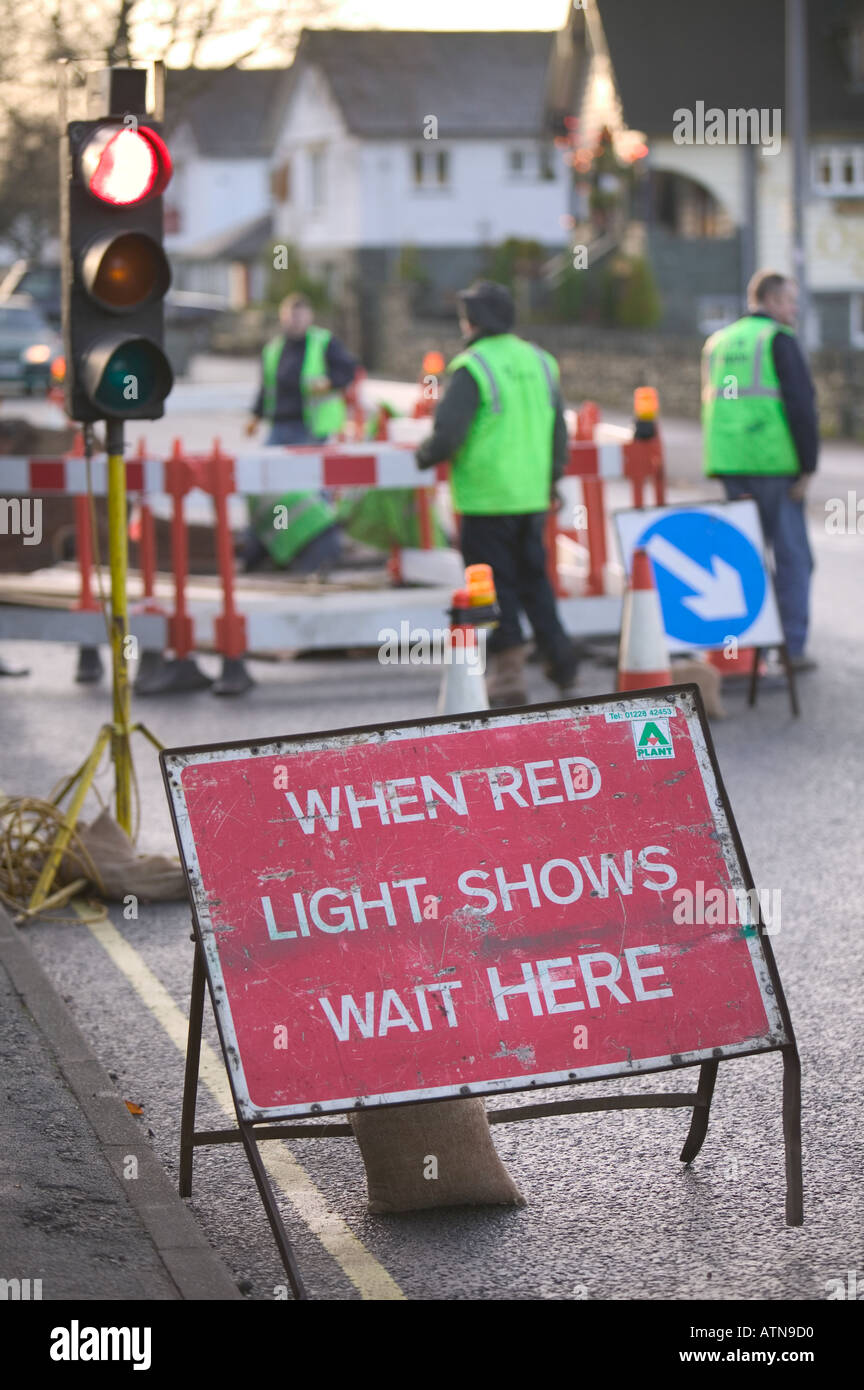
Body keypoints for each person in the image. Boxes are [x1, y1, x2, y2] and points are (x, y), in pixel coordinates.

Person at [415, 280, 578, 705]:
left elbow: (448, 432)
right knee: (534, 580)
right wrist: (552, 477)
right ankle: (562, 662)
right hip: (530, 495)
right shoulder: (541, 361)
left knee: (494, 587)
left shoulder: (474, 365)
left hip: (487, 498)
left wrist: (425, 454)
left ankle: (508, 677)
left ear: (473, 322)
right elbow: (560, 429)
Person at [702, 270, 819, 670]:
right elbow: (802, 406)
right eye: (789, 300)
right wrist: (808, 467)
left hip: (730, 462)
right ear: (769, 300)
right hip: (773, 462)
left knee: (745, 557)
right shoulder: (777, 340)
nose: (794, 308)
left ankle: (750, 650)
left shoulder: (719, 341)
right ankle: (791, 649)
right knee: (792, 558)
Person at [243, 293, 357, 571]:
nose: (294, 320)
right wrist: (256, 416)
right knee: (266, 485)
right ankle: (271, 546)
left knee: (311, 490)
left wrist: (329, 381)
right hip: (280, 426)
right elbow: (267, 389)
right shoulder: (273, 350)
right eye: (290, 315)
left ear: (309, 316)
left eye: (299, 314)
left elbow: (349, 370)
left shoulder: (323, 343)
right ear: (283, 317)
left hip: (310, 428)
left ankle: (319, 551)